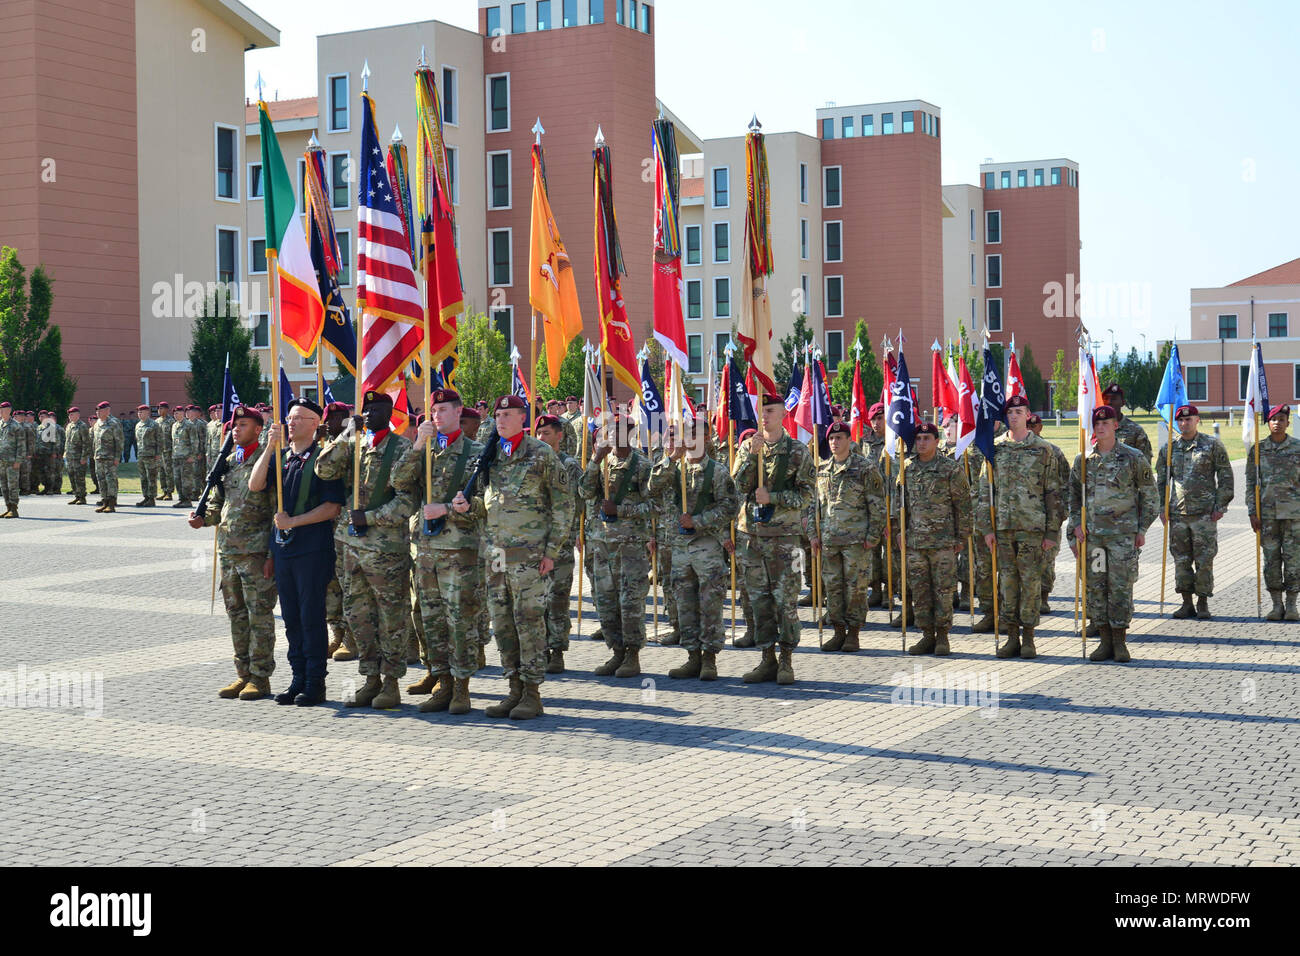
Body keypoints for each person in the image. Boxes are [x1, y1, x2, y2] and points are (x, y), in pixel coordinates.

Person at [466, 395, 573, 719]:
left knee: (528, 624)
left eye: (508, 414)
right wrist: (465, 506)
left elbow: (563, 505)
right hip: (496, 556)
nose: (500, 419)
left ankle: (532, 693)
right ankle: (513, 689)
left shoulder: (540, 454)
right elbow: (486, 504)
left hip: (529, 555)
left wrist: (552, 552)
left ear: (523, 417)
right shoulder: (491, 454)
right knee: (503, 625)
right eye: (498, 414)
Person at [316, 390, 416, 710]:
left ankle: (391, 682)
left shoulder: (402, 448)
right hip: (350, 548)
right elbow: (324, 470)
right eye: (366, 409)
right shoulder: (354, 444)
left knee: (391, 618)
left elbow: (408, 501)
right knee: (358, 616)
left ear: (391, 412)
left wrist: (370, 517)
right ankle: (369, 677)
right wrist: (346, 433)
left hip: (386, 549)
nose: (370, 414)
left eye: (377, 408)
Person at [391, 388, 484, 714]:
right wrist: (417, 445)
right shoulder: (425, 451)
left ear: (459, 412)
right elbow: (399, 482)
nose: (438, 416)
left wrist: (448, 507)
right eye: (434, 411)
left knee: (459, 621)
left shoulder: (476, 452)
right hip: (426, 550)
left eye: (444, 410)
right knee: (429, 620)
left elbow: (488, 505)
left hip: (460, 551)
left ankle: (461, 687)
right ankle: (441, 680)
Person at [251, 398, 346, 706]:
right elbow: (255, 485)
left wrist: (294, 521)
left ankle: (315, 682)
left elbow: (331, 508)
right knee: (291, 617)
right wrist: (269, 447)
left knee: (310, 616)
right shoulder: (281, 458)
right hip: (283, 549)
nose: (291, 422)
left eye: (300, 418)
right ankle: (297, 678)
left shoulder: (323, 459)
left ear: (316, 424)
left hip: (312, 549)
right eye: (290, 417)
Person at [187, 405, 278, 697]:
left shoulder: (268, 461)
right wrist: (203, 518)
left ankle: (260, 678)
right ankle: (243, 673)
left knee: (259, 616)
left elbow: (278, 511)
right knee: (236, 614)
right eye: (234, 425)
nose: (235, 429)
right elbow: (218, 505)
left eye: (243, 425)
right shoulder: (227, 462)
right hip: (228, 551)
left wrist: (272, 555)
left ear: (258, 429)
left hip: (255, 554)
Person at [645, 418, 739, 679]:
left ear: (706, 440)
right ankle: (692, 655)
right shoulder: (674, 469)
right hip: (679, 548)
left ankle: (709, 658)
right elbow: (652, 489)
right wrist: (671, 459)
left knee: (709, 603)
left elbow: (729, 507)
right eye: (688, 436)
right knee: (684, 603)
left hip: (706, 547)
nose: (691, 441)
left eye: (697, 436)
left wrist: (698, 521)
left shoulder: (717, 472)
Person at [732, 393, 815, 684]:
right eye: (761, 411)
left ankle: (786, 660)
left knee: (786, 601)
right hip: (751, 538)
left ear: (782, 414)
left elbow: (807, 495)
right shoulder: (747, 447)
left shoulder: (797, 451)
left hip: (785, 538)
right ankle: (766, 658)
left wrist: (774, 497)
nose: (763, 416)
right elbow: (737, 486)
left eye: (769, 411)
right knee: (759, 601)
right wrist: (751, 456)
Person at [1069, 405, 1158, 663]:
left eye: (1106, 422)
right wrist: (1075, 525)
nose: (1100, 427)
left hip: (1122, 537)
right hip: (1094, 537)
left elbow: (1149, 496)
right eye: (1097, 423)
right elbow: (1073, 496)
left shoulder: (1133, 457)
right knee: (1096, 588)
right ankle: (1104, 641)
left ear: (1115, 425)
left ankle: (1120, 642)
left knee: (1120, 587)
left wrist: (1141, 529)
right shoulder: (1084, 460)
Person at [976, 395, 1063, 659]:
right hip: (1003, 529)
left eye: (1019, 411)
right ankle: (1011, 636)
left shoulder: (1043, 450)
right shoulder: (994, 449)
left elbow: (1053, 493)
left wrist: (1051, 531)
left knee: (1031, 584)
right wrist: (987, 529)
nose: (1013, 416)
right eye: (1010, 412)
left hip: (1032, 529)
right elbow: (984, 491)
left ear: (1028, 415)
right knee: (1008, 584)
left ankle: (1029, 638)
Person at [580, 414, 655, 678]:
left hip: (630, 545)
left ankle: (632, 655)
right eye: (610, 429)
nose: (612, 433)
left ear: (630, 432)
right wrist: (593, 461)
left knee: (630, 601)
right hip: (602, 543)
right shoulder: (602, 463)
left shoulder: (643, 465)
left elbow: (654, 505)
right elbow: (585, 492)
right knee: (605, 600)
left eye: (618, 429)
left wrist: (622, 509)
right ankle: (616, 652)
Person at [896, 422, 971, 655]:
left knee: (944, 591)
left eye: (927, 438)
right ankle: (927, 635)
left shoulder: (950, 469)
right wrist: (898, 530)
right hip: (916, 543)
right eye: (918, 438)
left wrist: (962, 536)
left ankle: (943, 637)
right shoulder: (906, 468)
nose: (921, 443)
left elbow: (963, 505)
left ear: (936, 442)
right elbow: (899, 504)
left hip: (943, 542)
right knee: (920, 591)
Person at [811, 420, 884, 652]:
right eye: (831, 438)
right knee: (833, 588)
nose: (834, 442)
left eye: (839, 438)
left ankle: (853, 633)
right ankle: (838, 631)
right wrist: (813, 534)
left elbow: (877, 504)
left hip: (856, 541)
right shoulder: (822, 470)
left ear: (849, 440)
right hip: (830, 541)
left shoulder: (865, 468)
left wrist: (873, 535)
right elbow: (814, 507)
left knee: (856, 589)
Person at [1156, 404, 1233, 620]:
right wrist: (1162, 507)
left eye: (1188, 420)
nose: (1184, 423)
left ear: (1197, 420)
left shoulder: (1212, 445)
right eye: (1180, 420)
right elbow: (1161, 481)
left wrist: (1221, 505)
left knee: (1204, 560)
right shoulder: (1169, 449)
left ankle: (1203, 602)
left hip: (1204, 515)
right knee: (1181, 560)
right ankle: (1186, 603)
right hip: (1178, 515)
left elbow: (1226, 476)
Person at [534, 413, 583, 674]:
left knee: (558, 598)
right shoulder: (530, 463)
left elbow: (575, 503)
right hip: (534, 542)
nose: (541, 438)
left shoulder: (568, 464)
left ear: (559, 436)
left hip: (559, 543)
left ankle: (557, 650)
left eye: (547, 433)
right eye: (538, 433)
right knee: (536, 598)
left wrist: (573, 533)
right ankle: (538, 648)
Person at [1246, 404, 1300, 621]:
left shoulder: (1298, 448)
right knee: (1271, 560)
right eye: (1273, 419)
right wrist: (1252, 512)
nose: (1277, 422)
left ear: (1288, 423)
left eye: (1281, 419)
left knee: (1294, 559)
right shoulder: (1258, 450)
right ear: (1267, 423)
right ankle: (1276, 605)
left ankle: (1292, 605)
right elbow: (1251, 483)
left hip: (1294, 515)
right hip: (1266, 515)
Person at [321, 403, 357, 661]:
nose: (338, 423)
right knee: (330, 584)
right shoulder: (323, 447)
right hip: (324, 527)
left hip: (347, 524)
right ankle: (337, 633)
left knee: (351, 584)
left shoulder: (355, 446)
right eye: (332, 419)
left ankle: (353, 639)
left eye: (342, 418)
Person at [1027, 412, 1070, 614]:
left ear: (1040, 427)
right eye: (1027, 424)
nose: (1030, 428)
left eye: (1033, 425)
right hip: (1026, 518)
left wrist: (1063, 512)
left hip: (1048, 516)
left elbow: (1067, 483)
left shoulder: (1053, 452)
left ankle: (1043, 597)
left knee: (1047, 559)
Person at [1101, 383, 1153, 461]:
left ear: (1123, 403)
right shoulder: (1097, 429)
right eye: (1106, 398)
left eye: (1114, 399)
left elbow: (1144, 463)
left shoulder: (1136, 431)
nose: (1109, 402)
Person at [90, 402, 123, 513]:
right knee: (101, 481)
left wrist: (117, 457)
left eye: (100, 410)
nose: (98, 413)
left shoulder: (113, 423)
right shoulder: (97, 424)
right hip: (99, 457)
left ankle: (112, 504)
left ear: (107, 411)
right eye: (97, 411)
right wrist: (94, 455)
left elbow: (119, 441)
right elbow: (95, 441)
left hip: (110, 457)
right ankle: (104, 502)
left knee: (111, 480)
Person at [133, 404, 162, 507]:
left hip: (151, 455)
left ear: (147, 412)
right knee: (143, 477)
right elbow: (137, 441)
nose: (139, 414)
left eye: (141, 412)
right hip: (141, 455)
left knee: (151, 477)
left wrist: (158, 453)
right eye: (138, 412)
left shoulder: (154, 425)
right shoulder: (138, 425)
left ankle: (152, 498)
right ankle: (146, 497)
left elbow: (159, 440)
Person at [63, 406, 89, 505]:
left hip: (79, 457)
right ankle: (76, 495)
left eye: (72, 414)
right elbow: (67, 441)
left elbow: (86, 443)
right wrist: (65, 453)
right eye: (69, 415)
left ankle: (82, 497)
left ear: (78, 415)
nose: (70, 416)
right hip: (70, 457)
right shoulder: (69, 426)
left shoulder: (82, 426)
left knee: (79, 478)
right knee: (72, 477)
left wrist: (84, 457)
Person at [171, 405, 196, 508]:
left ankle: (187, 499)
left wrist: (192, 455)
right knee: (177, 479)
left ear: (182, 413)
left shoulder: (189, 425)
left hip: (186, 457)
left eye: (178, 413)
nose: (176, 415)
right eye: (174, 413)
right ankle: (181, 498)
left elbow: (195, 442)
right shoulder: (174, 425)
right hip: (176, 457)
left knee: (186, 479)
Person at [0, 402, 20, 517]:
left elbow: (21, 444)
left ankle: (14, 509)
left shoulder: (16, 425)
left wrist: (18, 460)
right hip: (2, 460)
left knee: (12, 485)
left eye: (4, 409)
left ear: (9, 410)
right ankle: (8, 507)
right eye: (0, 410)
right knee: (3, 485)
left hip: (12, 461)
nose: (1, 412)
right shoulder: (0, 424)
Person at [155, 401, 174, 500]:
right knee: (161, 472)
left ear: (167, 409)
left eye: (161, 408)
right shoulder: (157, 421)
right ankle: (164, 490)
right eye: (158, 408)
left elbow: (174, 437)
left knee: (168, 472)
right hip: (159, 451)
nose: (159, 410)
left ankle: (169, 492)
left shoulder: (171, 421)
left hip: (168, 450)